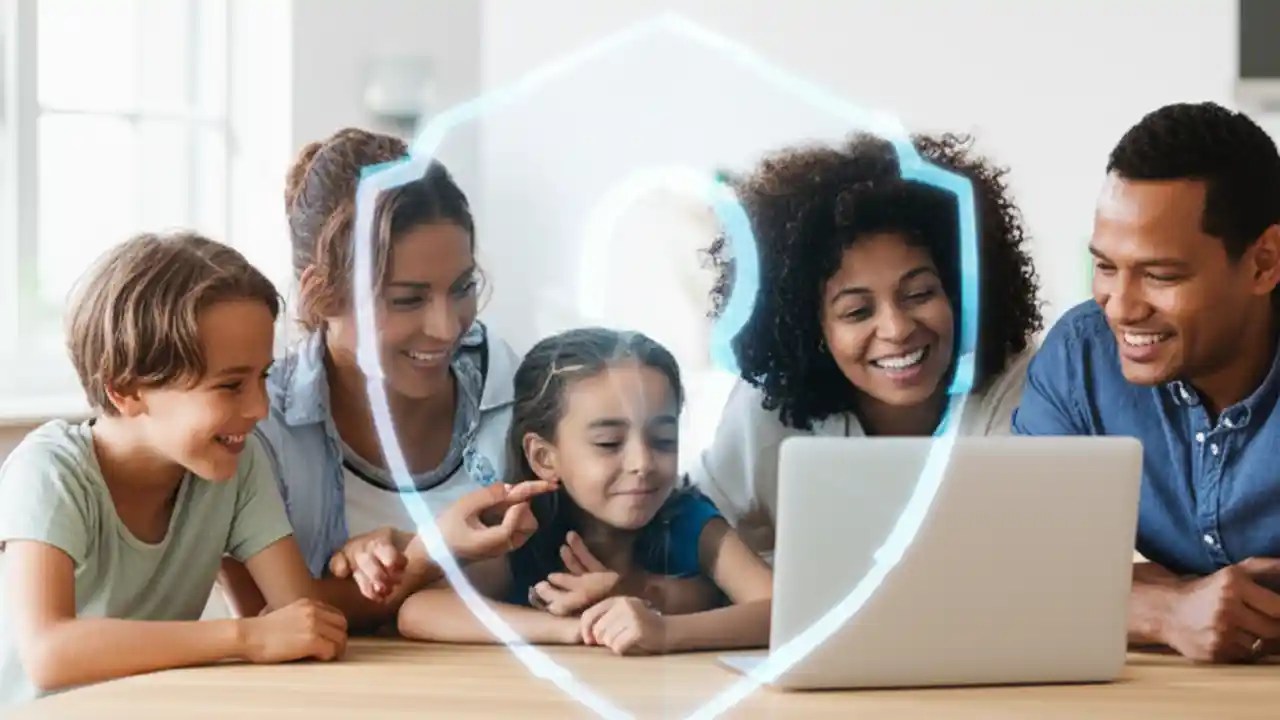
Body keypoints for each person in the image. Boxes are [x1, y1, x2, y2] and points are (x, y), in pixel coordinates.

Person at [217, 128, 549, 631]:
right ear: (322, 297)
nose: (446, 327)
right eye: (407, 299)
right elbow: (266, 620)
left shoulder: (518, 392)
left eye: (462, 288)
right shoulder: (263, 428)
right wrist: (428, 556)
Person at [0, 233, 349, 708]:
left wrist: (388, 562)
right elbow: (49, 653)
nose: (260, 408)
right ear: (126, 389)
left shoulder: (239, 464)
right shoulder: (50, 471)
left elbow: (300, 614)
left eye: (263, 377)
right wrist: (245, 636)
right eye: (230, 385)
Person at [691, 132, 1043, 562]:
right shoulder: (768, 403)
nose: (896, 329)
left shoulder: (1023, 386)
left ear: (961, 292)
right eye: (857, 312)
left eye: (919, 295)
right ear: (810, 327)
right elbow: (696, 520)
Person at [1012, 101, 1280, 664]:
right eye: (1106, 267)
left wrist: (1120, 594)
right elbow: (1019, 567)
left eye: (1160, 276)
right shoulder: (1080, 359)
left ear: (1264, 263)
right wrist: (1166, 610)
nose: (1121, 308)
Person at [397, 328, 773, 655]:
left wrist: (664, 630)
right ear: (544, 457)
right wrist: (575, 630)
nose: (642, 462)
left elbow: (781, 610)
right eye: (609, 443)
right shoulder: (524, 528)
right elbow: (421, 609)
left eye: (663, 439)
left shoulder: (688, 520)